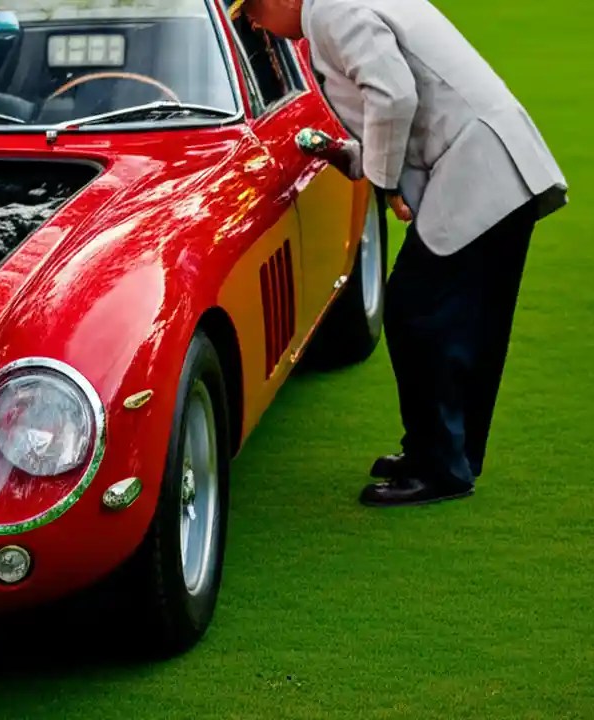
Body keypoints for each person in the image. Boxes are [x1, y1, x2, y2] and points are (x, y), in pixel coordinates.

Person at [243, 0, 569, 506]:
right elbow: (402, 106)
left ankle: (440, 465)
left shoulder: (329, 14)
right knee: (461, 322)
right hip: (492, 163)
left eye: (255, 8)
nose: (254, 22)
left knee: (419, 313)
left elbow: (394, 98)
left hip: (478, 170)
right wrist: (350, 156)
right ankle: (442, 455)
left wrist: (384, 183)